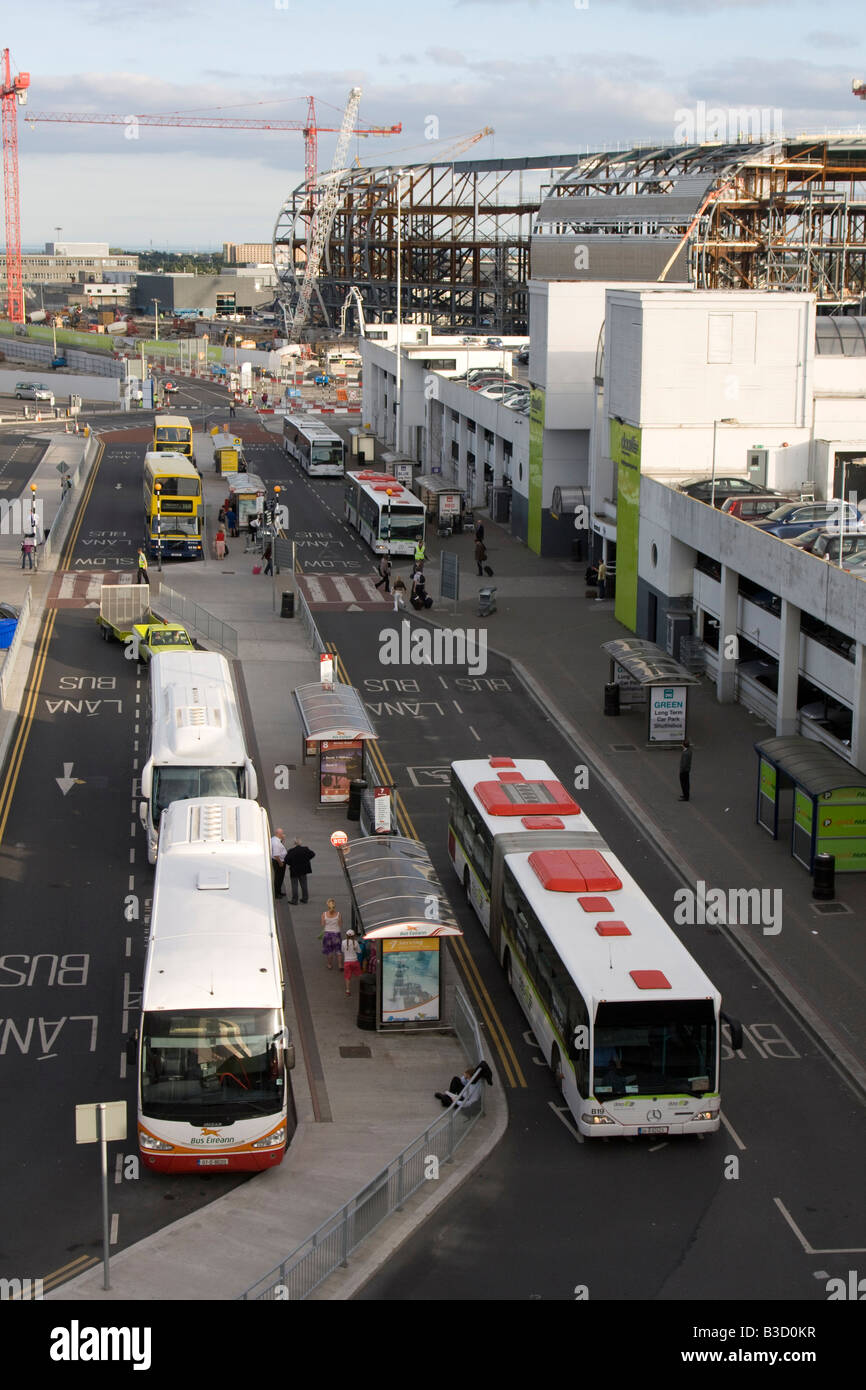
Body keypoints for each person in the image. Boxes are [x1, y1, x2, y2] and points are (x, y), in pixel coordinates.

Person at [285, 837, 315, 904]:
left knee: (294, 885)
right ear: (301, 843)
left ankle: (294, 900)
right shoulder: (305, 849)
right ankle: (305, 899)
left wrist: (292, 863)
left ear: (294, 843)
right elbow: (313, 854)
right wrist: (306, 859)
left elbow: (286, 860)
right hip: (303, 870)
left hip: (294, 870)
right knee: (304, 884)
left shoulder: (291, 851)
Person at [319, 899, 343, 970]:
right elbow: (340, 924)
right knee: (338, 951)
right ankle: (340, 965)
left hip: (327, 934)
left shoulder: (324, 914)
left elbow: (322, 924)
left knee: (329, 951)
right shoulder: (338, 914)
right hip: (336, 934)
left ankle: (329, 964)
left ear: (328, 906)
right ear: (334, 906)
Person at [341, 927, 362, 996]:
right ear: (354, 936)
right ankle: (362, 987)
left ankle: (347, 990)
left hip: (347, 962)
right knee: (359, 974)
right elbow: (359, 951)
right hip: (355, 961)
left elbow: (342, 951)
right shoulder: (355, 942)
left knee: (347, 977)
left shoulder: (343, 942)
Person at [270, 828, 288, 899]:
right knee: (279, 878)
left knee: (279, 878)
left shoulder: (274, 839)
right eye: (282, 834)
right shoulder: (276, 843)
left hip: (278, 861)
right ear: (278, 834)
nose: (283, 835)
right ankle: (277, 894)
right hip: (279, 862)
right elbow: (276, 855)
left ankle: (279, 891)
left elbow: (281, 846)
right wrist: (280, 863)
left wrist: (283, 839)